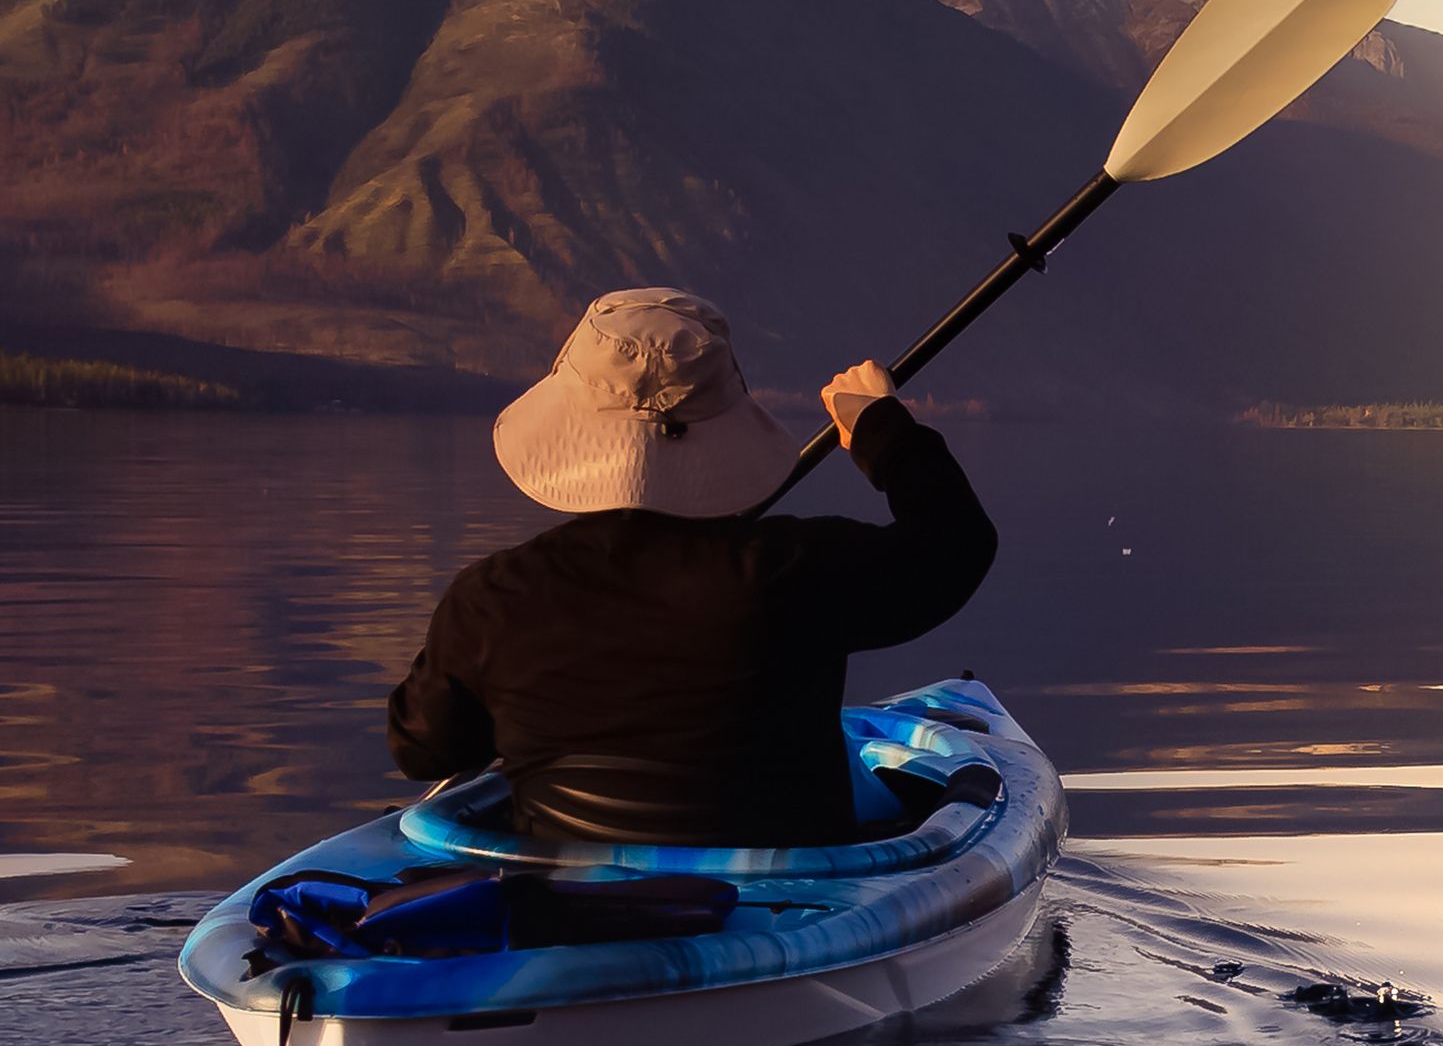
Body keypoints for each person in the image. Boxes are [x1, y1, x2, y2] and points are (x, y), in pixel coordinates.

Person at [389, 288, 996, 848]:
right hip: (789, 908)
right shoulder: (796, 571)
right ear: (720, 426)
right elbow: (957, 544)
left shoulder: (489, 600)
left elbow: (424, 749)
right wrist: (880, 427)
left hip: (562, 916)